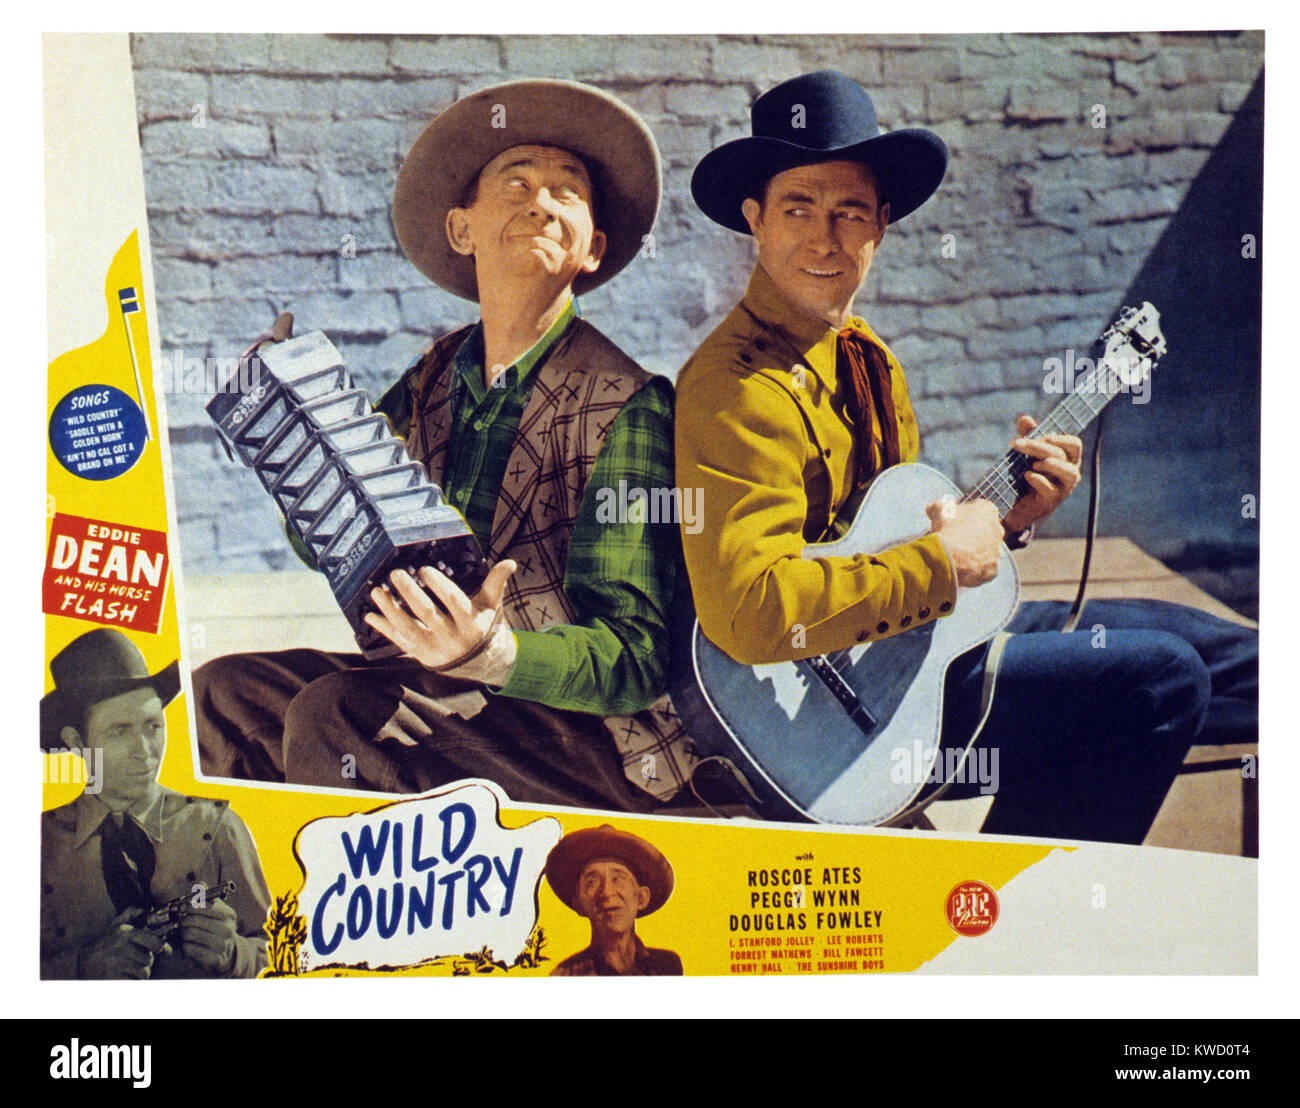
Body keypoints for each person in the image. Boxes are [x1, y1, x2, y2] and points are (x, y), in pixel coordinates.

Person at [676, 70, 1258, 844]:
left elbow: (895, 536)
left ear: (883, 223)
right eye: (798, 209)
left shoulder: (865, 358)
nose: (824, 238)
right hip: (843, 727)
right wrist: (945, 563)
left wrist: (1007, 522)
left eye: (850, 212)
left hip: (911, 647)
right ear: (755, 219)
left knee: (1242, 659)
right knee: (1160, 680)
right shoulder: (734, 387)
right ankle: (1021, 922)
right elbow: (750, 615)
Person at [195, 79, 696, 812]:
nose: (541, 201)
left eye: (567, 190)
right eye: (516, 181)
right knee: (221, 695)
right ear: (462, 229)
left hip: (588, 744)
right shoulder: (434, 377)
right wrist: (287, 433)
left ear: (594, 247)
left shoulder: (628, 405)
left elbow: (637, 656)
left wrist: (493, 652)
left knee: (334, 716)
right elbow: (337, 544)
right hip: (447, 692)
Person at [40, 628, 271, 979]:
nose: (145, 751)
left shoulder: (219, 827)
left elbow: (272, 952)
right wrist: (82, 968)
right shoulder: (38, 843)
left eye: (152, 726)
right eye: (119, 731)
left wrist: (232, 953)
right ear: (76, 741)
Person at [544, 823, 682, 976]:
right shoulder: (565, 975)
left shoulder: (667, 966)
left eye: (618, 879)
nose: (607, 892)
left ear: (642, 898)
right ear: (578, 904)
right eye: (592, 882)